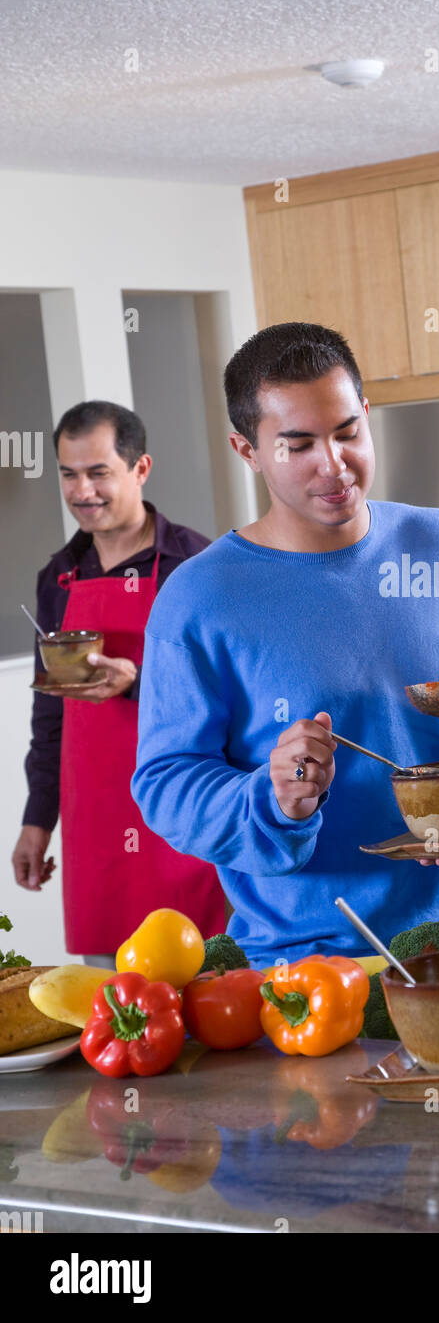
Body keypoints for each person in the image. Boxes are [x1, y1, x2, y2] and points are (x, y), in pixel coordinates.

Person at [131, 323, 439, 969]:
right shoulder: (198, 599)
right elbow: (166, 781)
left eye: (348, 431)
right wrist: (270, 799)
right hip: (301, 962)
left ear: (367, 416)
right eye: (298, 445)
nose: (334, 464)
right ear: (248, 449)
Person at [12, 402, 225, 966]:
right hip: (97, 823)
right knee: (117, 1005)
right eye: (68, 473)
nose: (82, 491)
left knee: (210, 987)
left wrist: (138, 682)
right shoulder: (58, 577)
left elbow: (234, 690)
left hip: (184, 810)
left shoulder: (195, 564)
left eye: (98, 472)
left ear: (141, 468)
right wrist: (37, 821)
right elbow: (50, 720)